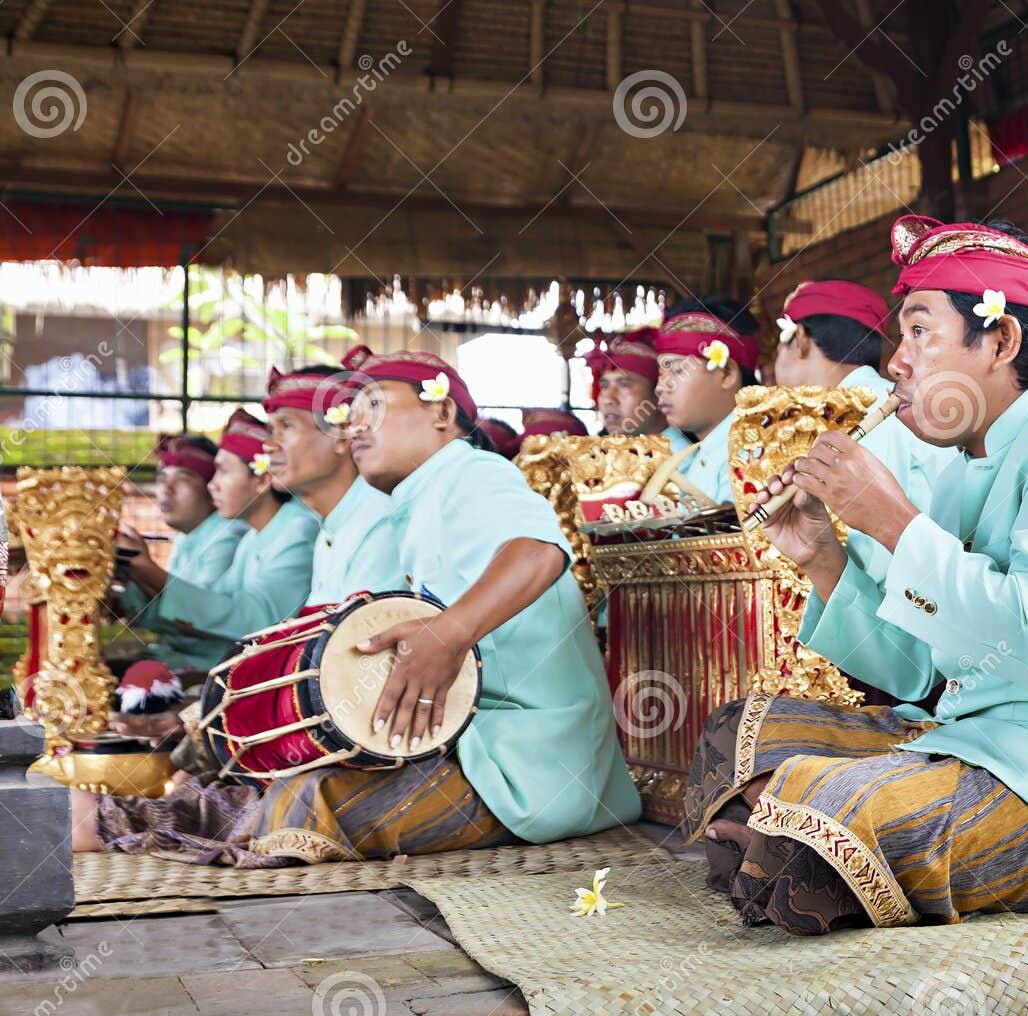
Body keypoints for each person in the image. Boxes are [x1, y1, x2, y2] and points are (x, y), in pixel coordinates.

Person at [683, 214, 1028, 935]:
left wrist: (890, 519)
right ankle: (789, 845)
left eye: (920, 331)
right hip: (981, 745)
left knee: (823, 810)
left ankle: (790, 844)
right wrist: (825, 555)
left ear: (1001, 339)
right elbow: (916, 669)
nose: (896, 363)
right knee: (739, 737)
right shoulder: (966, 462)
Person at [76, 349, 640, 863]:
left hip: (524, 762)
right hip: (468, 744)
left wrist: (448, 634)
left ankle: (110, 825)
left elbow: (537, 552)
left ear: (442, 413)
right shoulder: (415, 501)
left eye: (374, 403)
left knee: (307, 800)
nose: (355, 423)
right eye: (352, 409)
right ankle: (111, 820)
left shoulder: (472, 473)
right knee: (286, 781)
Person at [116, 408, 319, 662]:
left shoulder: (298, 530)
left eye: (222, 471)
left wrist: (147, 570)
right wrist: (134, 580)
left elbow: (256, 623)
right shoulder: (252, 538)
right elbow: (217, 604)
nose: (213, 485)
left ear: (263, 479)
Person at [770, 279, 955, 514]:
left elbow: (874, 536)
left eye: (778, 350)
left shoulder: (871, 408)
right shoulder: (876, 400)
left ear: (800, 340)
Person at [260, 364, 403, 605]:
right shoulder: (332, 524)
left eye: (286, 426)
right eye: (271, 430)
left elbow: (358, 636)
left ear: (341, 434)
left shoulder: (380, 522)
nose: (268, 445)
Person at [115, 435, 247, 675]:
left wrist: (144, 568)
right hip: (179, 658)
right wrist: (125, 581)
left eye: (183, 478)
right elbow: (167, 611)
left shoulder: (228, 534)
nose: (166, 489)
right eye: (162, 478)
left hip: (220, 667)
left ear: (211, 486)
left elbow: (201, 617)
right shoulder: (189, 534)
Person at [654, 296, 761, 504]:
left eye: (677, 371)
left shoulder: (754, 457)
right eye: (660, 374)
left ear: (726, 373)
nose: (660, 387)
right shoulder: (704, 452)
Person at [588, 328, 692, 451]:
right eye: (605, 386)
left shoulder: (681, 461)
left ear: (659, 394)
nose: (607, 399)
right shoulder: (615, 454)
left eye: (624, 385)